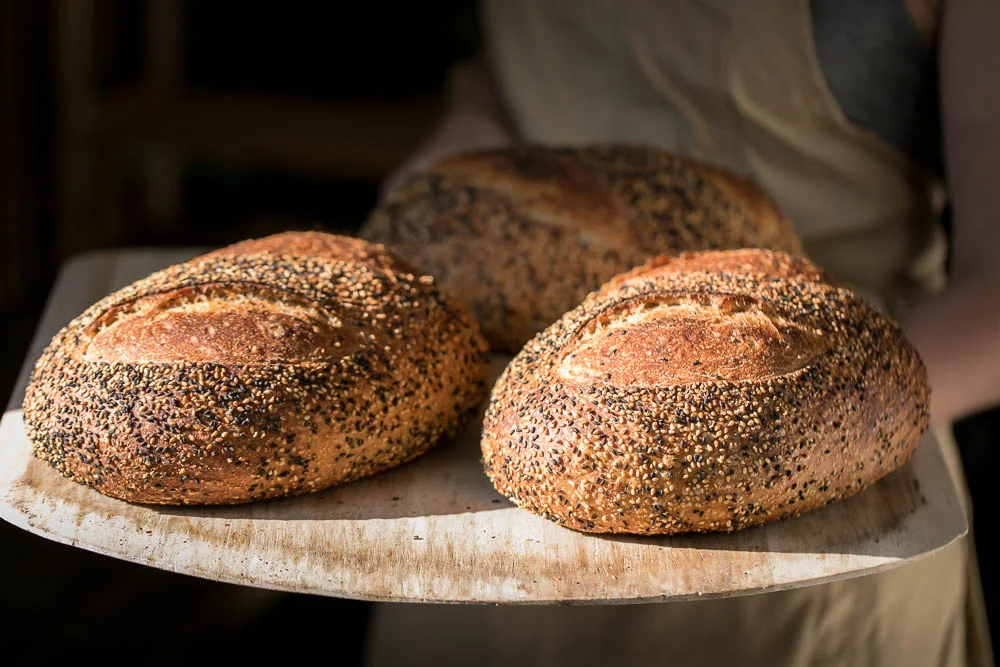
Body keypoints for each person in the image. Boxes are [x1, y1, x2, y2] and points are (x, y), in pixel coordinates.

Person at [366, 1, 1000, 666]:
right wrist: (458, 153)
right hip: (490, 529)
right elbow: (510, 70)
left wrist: (825, 419)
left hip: (817, 557)